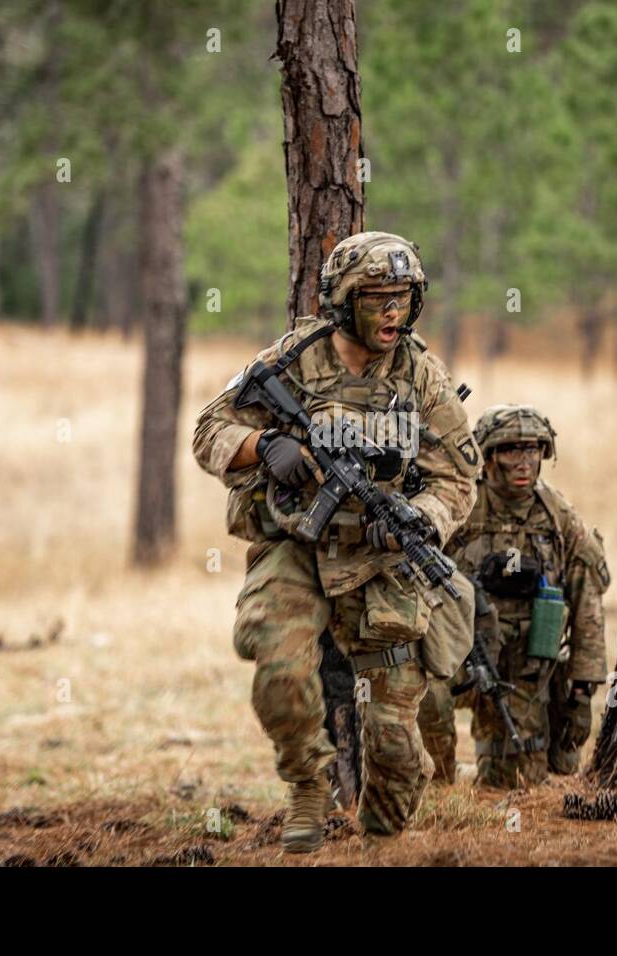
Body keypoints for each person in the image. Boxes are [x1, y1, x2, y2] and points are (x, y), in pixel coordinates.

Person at [192, 231, 479, 851]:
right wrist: (265, 446)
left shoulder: (421, 376)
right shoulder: (294, 360)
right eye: (377, 298)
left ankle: (380, 833)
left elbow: (459, 477)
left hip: (380, 560)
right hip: (297, 542)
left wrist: (420, 517)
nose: (392, 312)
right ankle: (306, 785)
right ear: (345, 302)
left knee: (394, 745)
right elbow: (209, 429)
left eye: (402, 297)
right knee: (278, 660)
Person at [418, 404, 610, 788]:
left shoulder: (557, 516)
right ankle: (436, 782)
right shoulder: (461, 506)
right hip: (464, 651)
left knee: (520, 778)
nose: (524, 462)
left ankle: (488, 775)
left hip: (528, 664)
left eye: (532, 450)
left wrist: (584, 685)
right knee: (428, 695)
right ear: (487, 457)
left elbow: (587, 599)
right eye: (510, 451)